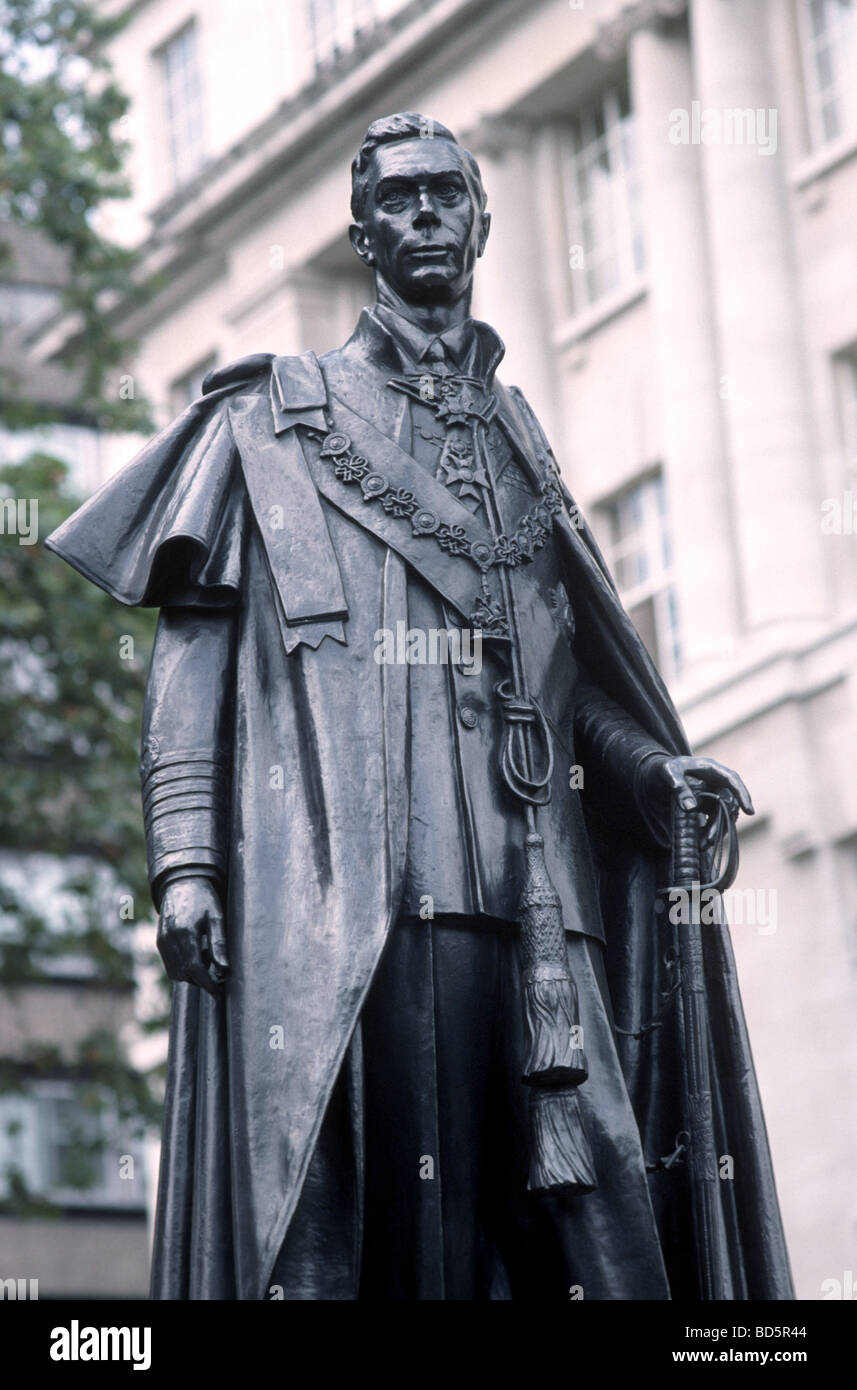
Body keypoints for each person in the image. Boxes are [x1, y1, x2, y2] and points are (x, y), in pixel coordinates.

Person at [47, 112, 793, 1301]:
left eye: (446, 192)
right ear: (360, 234)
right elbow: (193, 657)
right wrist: (185, 861)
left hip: (550, 909)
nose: (426, 214)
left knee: (609, 1245)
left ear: (483, 220)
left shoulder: (521, 446)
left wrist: (652, 776)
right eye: (397, 198)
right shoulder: (276, 419)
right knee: (404, 1242)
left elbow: (568, 683)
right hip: (376, 910)